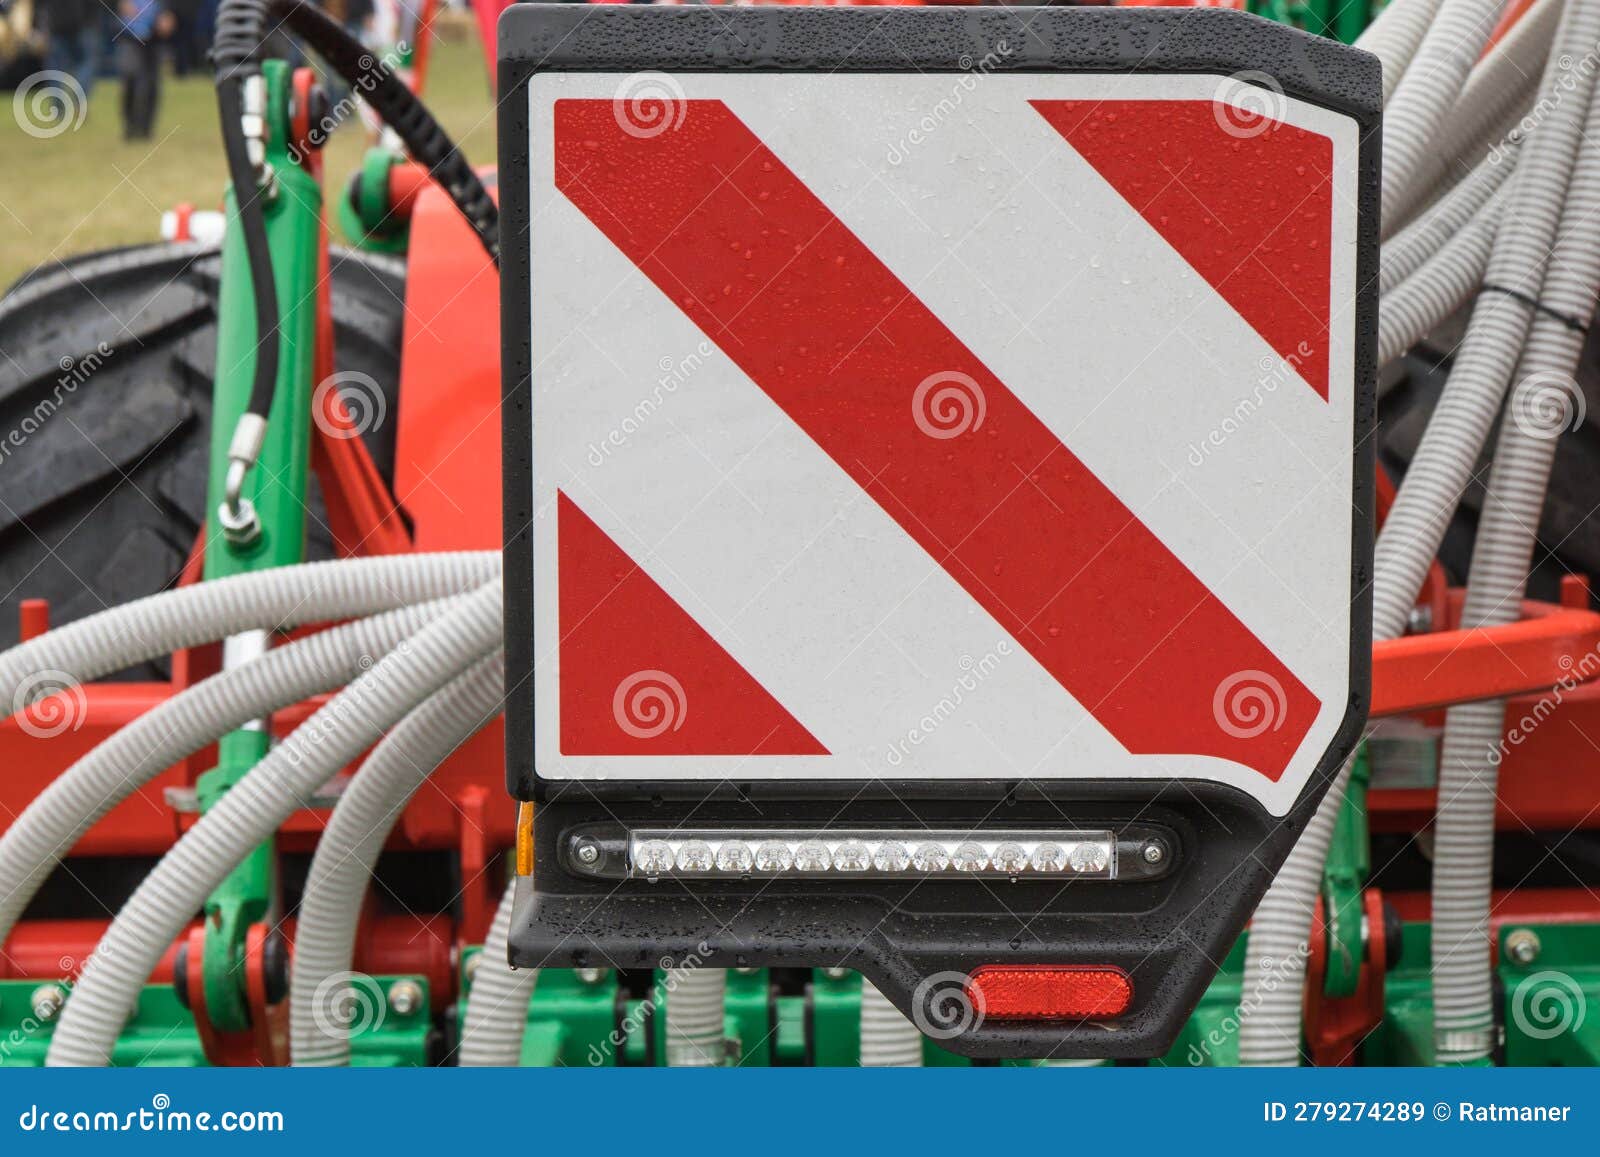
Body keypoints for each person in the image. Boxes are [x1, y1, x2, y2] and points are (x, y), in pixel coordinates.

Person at [40, 0, 106, 120]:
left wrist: (43, 25)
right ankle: (79, 99)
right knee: (88, 62)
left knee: (55, 68)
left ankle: (57, 109)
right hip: (84, 22)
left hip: (57, 23)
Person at [115, 0, 170, 140]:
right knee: (130, 81)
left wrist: (168, 14)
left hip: (154, 37)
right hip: (129, 35)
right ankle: (130, 127)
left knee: (151, 84)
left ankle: (146, 129)